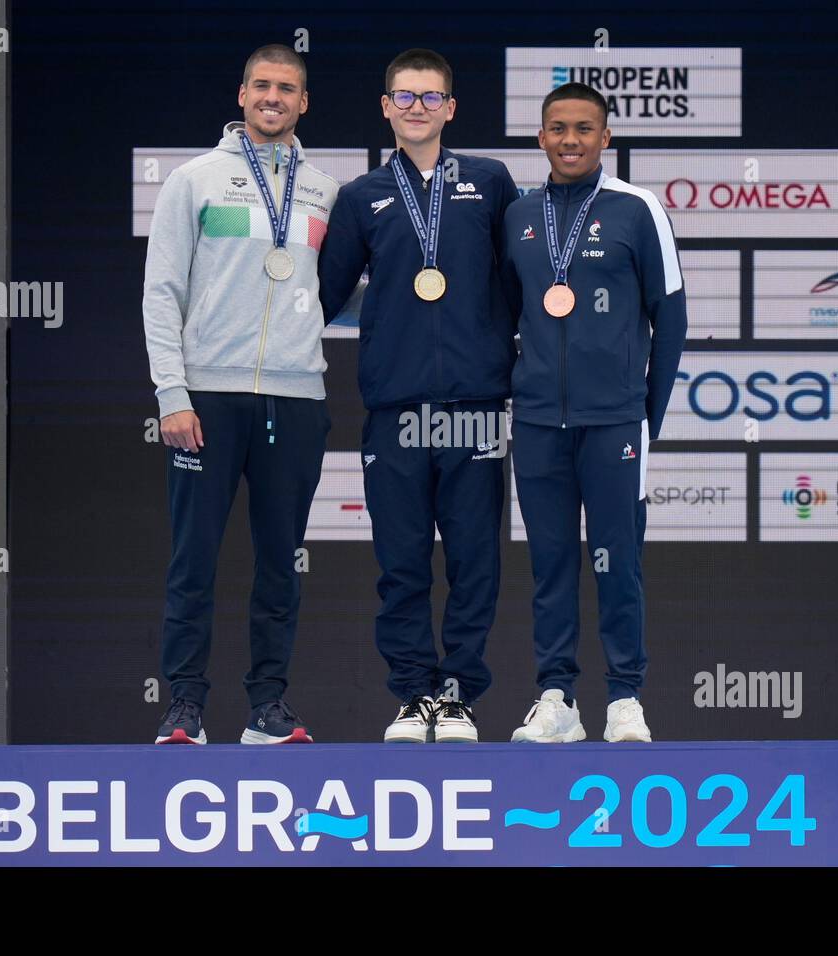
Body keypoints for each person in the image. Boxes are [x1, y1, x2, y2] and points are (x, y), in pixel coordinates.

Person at [317, 49, 518, 743]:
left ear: (451, 108)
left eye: (430, 98)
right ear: (384, 106)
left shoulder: (490, 184)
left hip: (476, 411)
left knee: (474, 561)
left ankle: (457, 694)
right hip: (396, 411)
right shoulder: (361, 196)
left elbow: (521, 286)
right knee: (400, 564)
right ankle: (412, 695)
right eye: (404, 97)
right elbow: (321, 296)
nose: (417, 109)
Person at [142, 44, 338, 744]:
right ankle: (185, 706)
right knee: (194, 559)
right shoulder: (193, 181)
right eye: (262, 85)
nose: (273, 97)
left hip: (296, 400)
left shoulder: (324, 188)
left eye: (287, 87)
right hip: (208, 399)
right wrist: (173, 391)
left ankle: (267, 708)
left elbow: (330, 291)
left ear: (303, 101)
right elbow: (161, 292)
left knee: (279, 563)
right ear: (241, 93)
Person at [499, 82, 688, 743]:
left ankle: (626, 700)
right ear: (541, 137)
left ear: (607, 138)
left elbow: (672, 318)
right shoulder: (519, 216)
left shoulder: (640, 210)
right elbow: (504, 316)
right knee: (550, 562)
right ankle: (557, 698)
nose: (571, 139)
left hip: (615, 424)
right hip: (538, 423)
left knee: (618, 560)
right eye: (558, 128)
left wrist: (645, 418)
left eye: (584, 128)